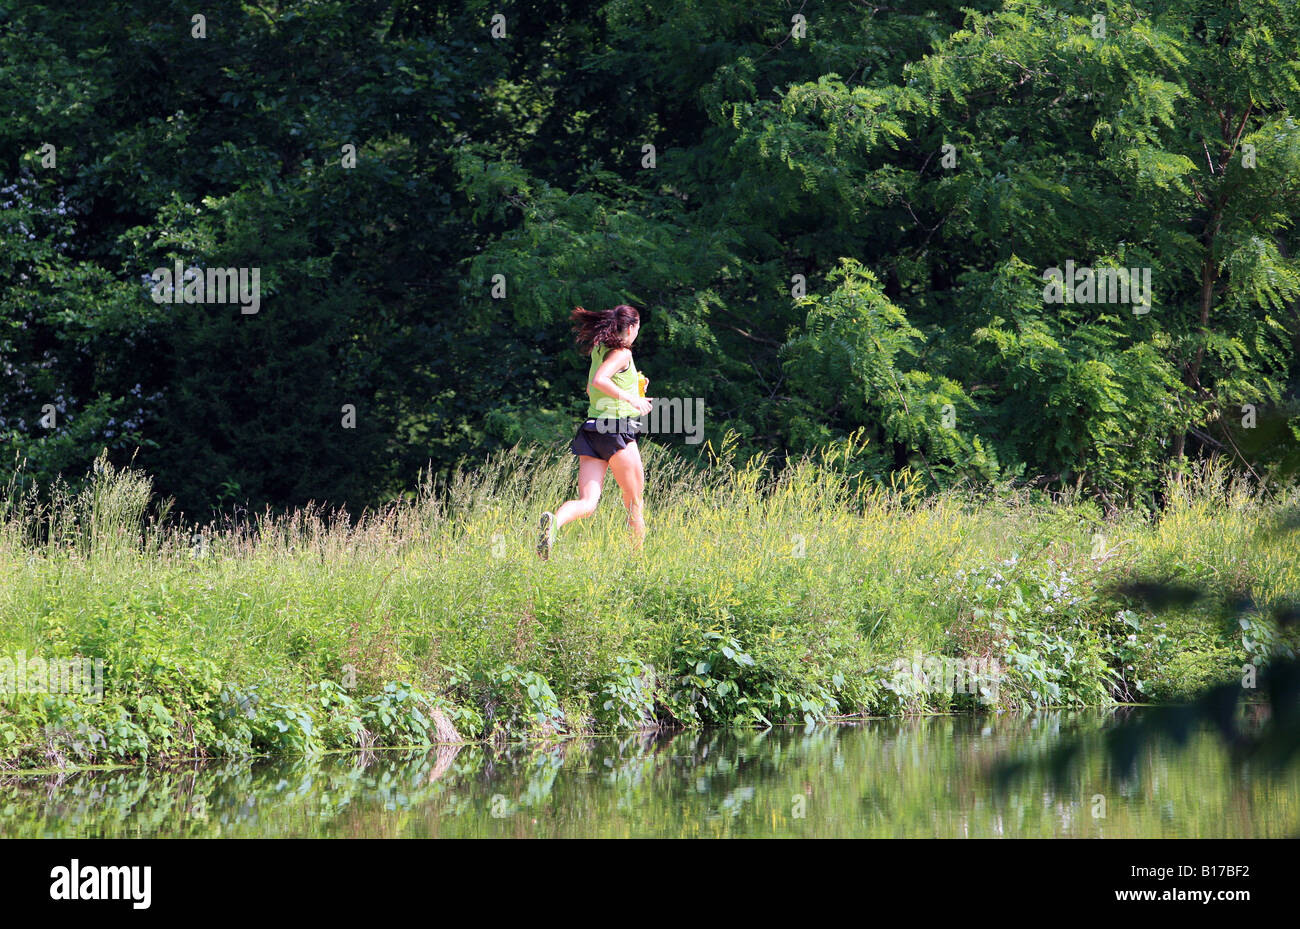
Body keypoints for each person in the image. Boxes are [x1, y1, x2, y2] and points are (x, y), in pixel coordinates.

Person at [537, 303, 652, 560]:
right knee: (634, 502)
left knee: (588, 503)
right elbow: (600, 381)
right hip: (616, 430)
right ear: (631, 327)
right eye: (638, 328)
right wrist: (633, 400)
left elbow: (592, 389)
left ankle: (554, 523)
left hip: (593, 430)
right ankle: (638, 563)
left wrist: (634, 387)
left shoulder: (600, 350)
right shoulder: (622, 353)